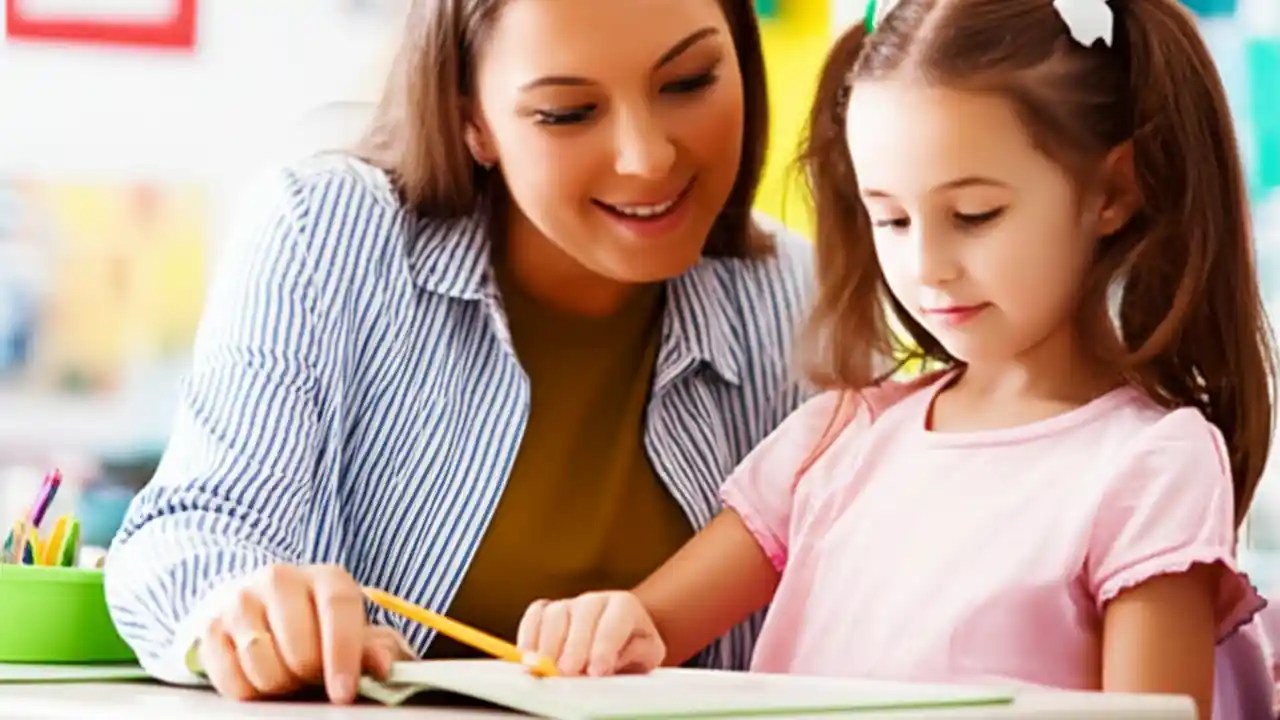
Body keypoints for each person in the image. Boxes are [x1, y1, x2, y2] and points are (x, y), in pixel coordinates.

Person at [516, 1, 1276, 718]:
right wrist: (604, 625)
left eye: (974, 216)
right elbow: (648, 630)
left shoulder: (1150, 467)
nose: (927, 265)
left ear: (1112, 191)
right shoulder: (838, 438)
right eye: (891, 216)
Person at [104, 0, 814, 705]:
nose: (647, 157)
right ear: (472, 119)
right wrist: (241, 610)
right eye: (567, 112)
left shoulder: (800, 298)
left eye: (689, 82)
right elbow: (192, 528)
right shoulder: (322, 232)